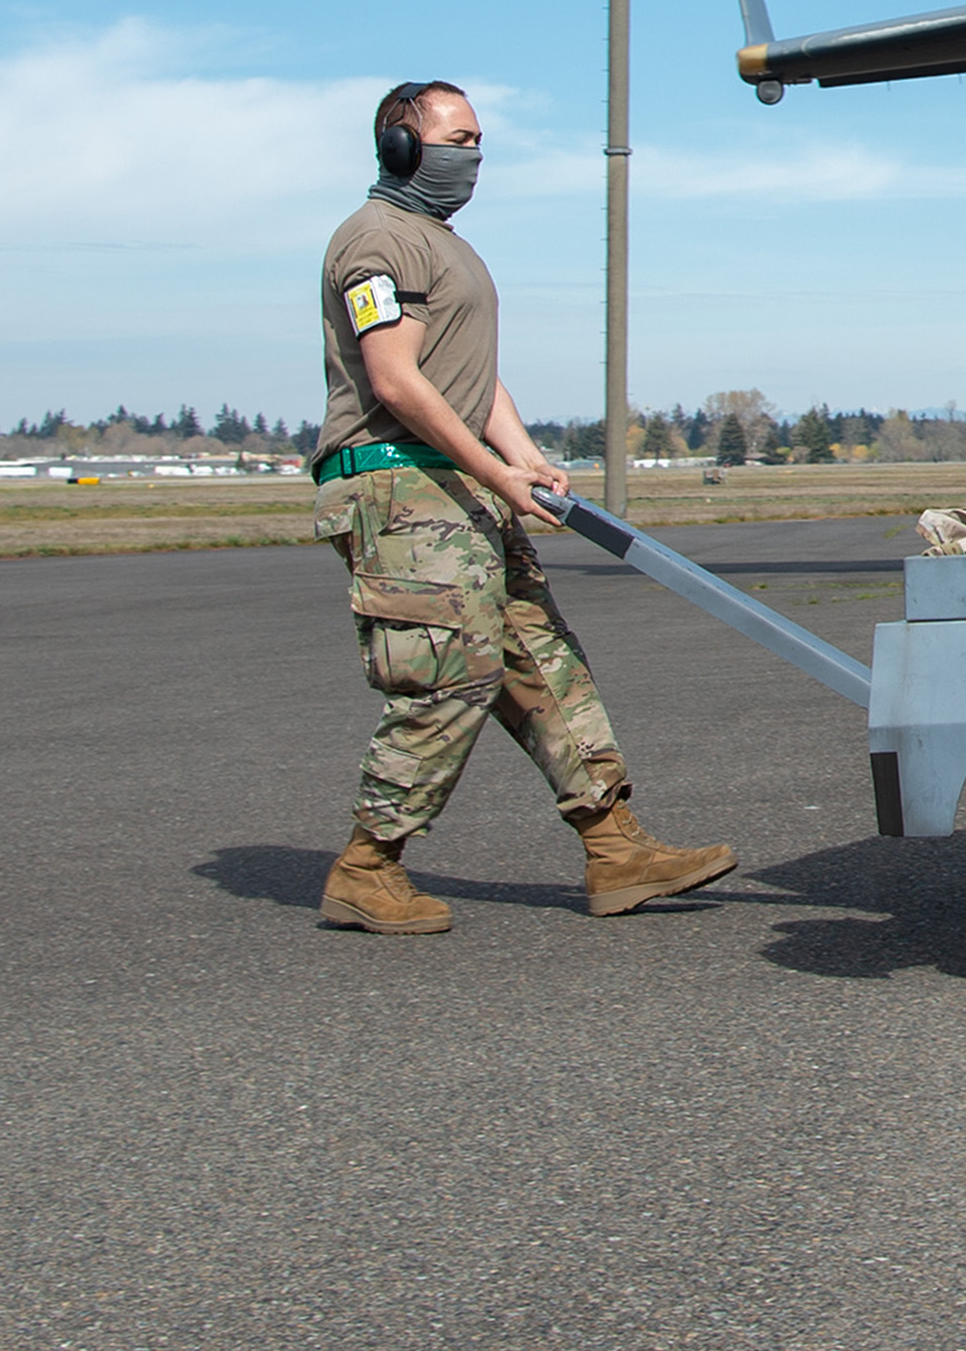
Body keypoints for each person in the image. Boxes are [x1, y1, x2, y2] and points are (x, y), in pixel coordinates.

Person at [310, 80, 734, 933]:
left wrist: (524, 455)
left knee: (541, 659)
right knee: (449, 676)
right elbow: (396, 378)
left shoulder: (440, 242)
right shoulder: (376, 241)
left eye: (478, 141)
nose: (472, 156)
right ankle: (368, 865)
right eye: (457, 137)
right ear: (401, 144)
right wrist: (496, 474)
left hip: (455, 479)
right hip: (399, 482)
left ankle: (616, 847)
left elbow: (468, 371)